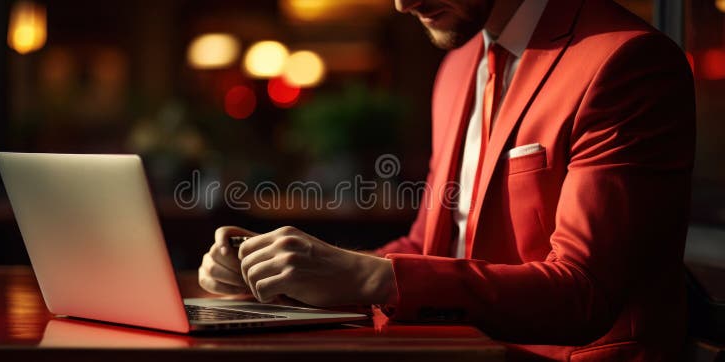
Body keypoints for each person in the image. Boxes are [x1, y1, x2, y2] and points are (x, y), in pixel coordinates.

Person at [198, 0, 695, 360]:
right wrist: (285, 274)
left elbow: (584, 293)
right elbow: (429, 245)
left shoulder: (625, 60)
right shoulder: (457, 68)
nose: (402, 3)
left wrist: (367, 276)